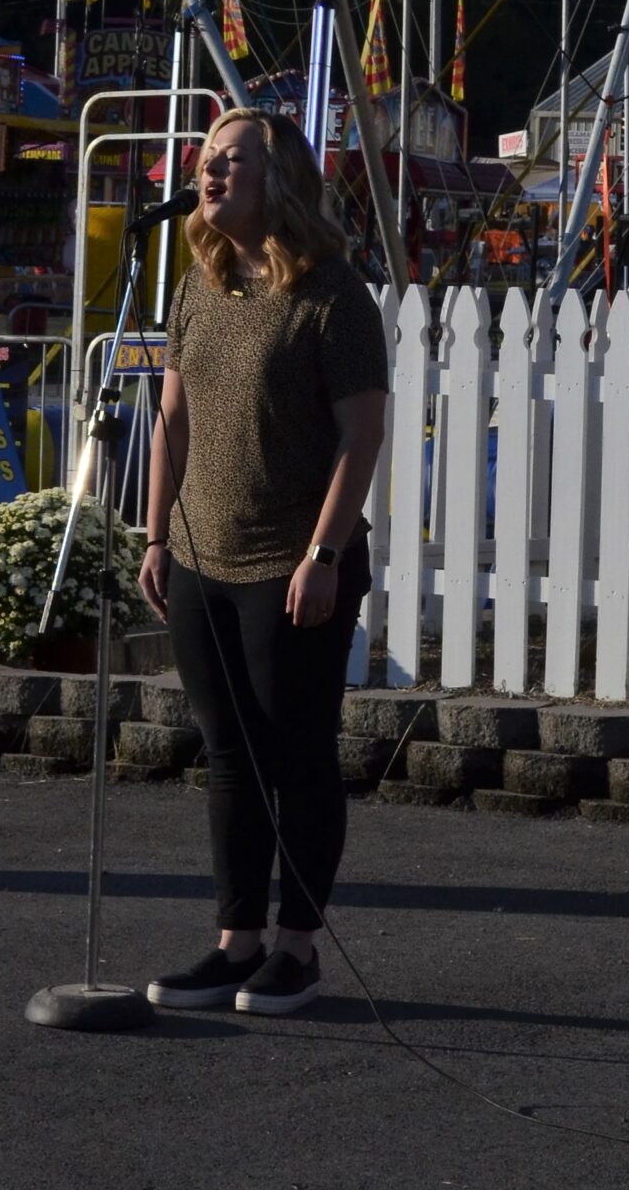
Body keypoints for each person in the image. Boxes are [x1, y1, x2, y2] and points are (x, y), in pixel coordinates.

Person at [139, 108, 389, 1018]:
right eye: (207, 160)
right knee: (228, 756)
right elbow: (172, 418)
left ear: (279, 177)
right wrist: (158, 534)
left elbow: (362, 434)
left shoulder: (332, 295)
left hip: (295, 563)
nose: (209, 174)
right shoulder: (199, 282)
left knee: (298, 754)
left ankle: (296, 948)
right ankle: (234, 941)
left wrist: (325, 552)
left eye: (231, 161)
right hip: (202, 556)